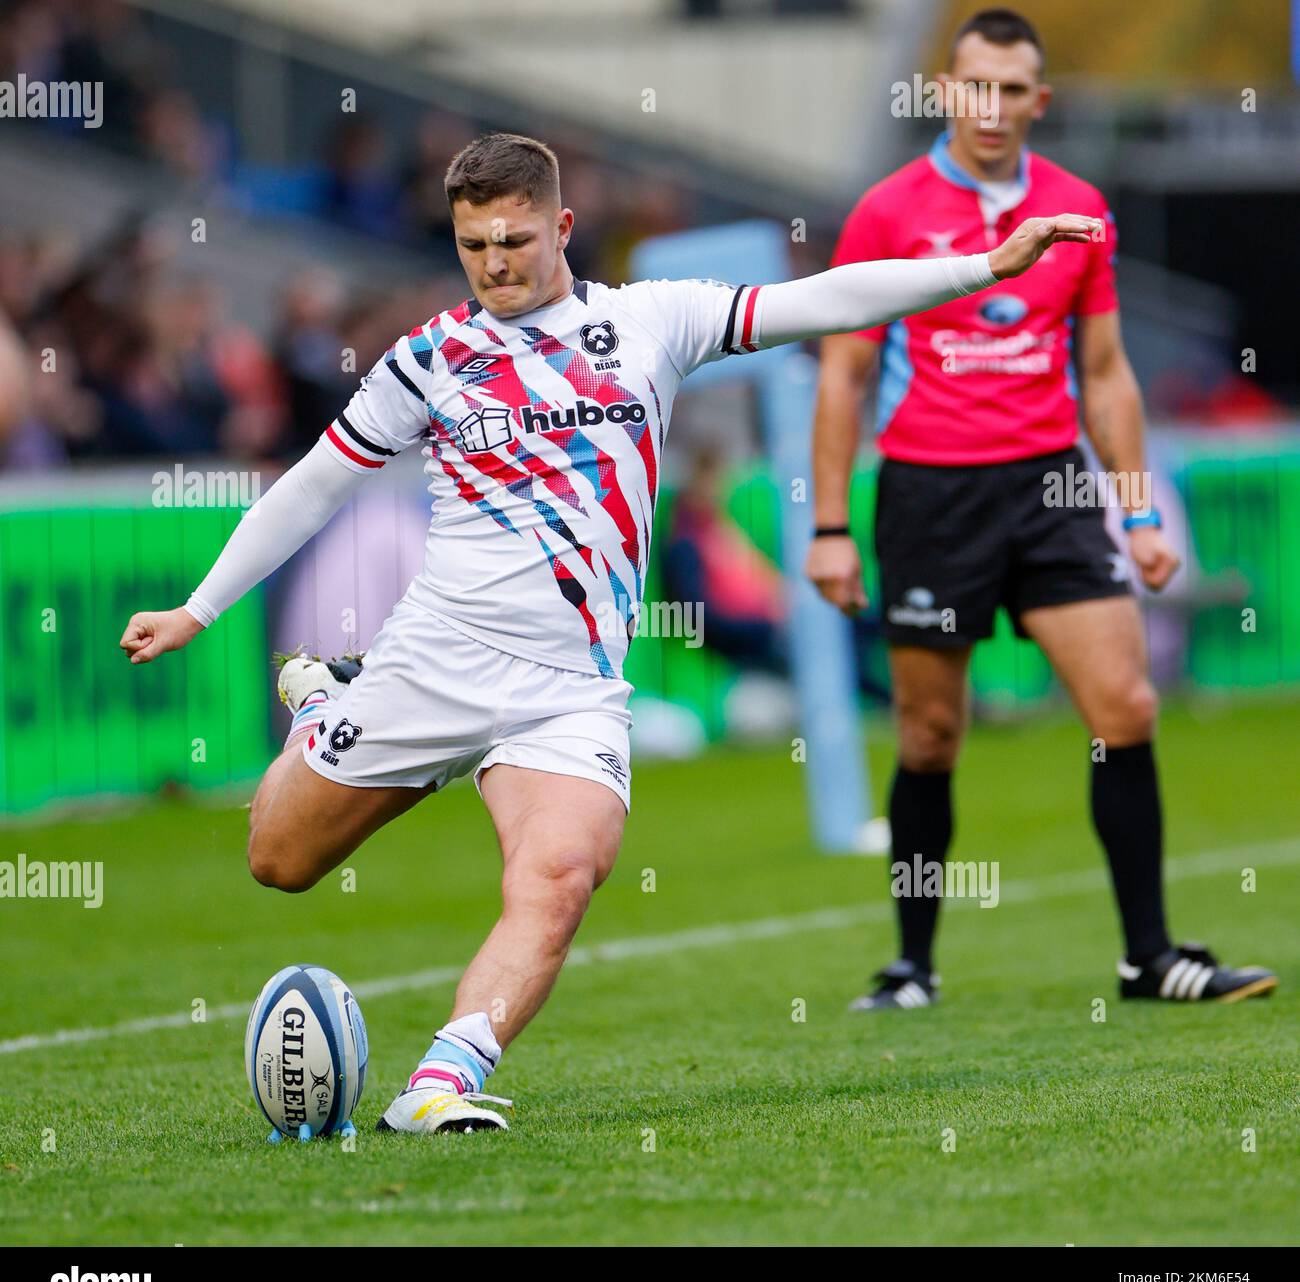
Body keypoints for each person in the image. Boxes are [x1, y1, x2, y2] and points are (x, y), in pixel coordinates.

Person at [120, 131, 1099, 1133]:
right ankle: (325, 694)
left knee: (559, 875)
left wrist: (985, 265)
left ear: (563, 226)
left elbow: (829, 299)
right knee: (278, 862)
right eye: (473, 245)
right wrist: (199, 607)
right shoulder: (428, 360)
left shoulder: (651, 323)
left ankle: (439, 1084)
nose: (495, 263)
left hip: (568, 688)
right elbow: (315, 485)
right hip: (432, 662)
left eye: (514, 238)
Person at [805, 9, 1276, 1010]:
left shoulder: (1078, 209)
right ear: (943, 91)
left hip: (1051, 489)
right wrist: (830, 526)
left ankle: (1147, 957)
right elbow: (841, 376)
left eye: (1013, 90)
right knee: (931, 737)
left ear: (1039, 101)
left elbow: (1105, 374)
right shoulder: (888, 212)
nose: (992, 108)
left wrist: (1139, 513)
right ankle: (912, 965)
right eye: (975, 86)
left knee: (1127, 708)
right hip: (929, 493)